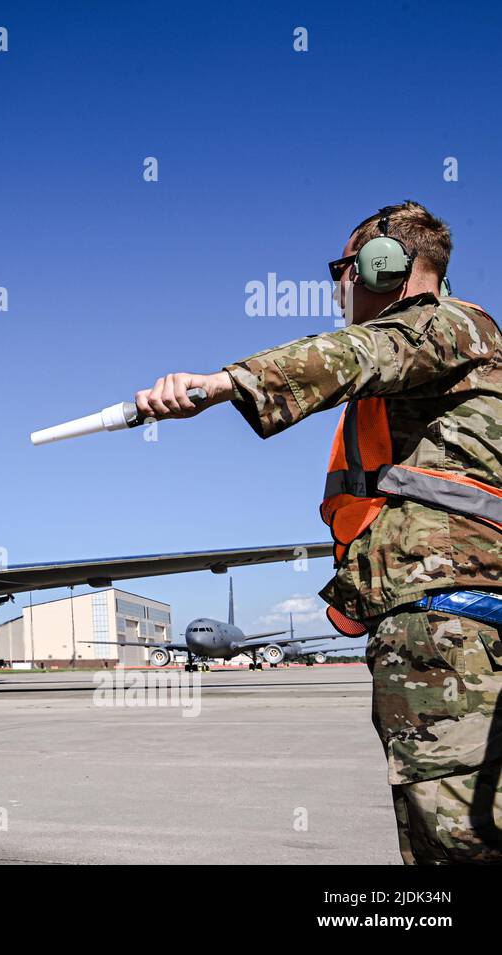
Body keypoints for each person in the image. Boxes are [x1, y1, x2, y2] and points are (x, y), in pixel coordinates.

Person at [136, 201, 502, 863]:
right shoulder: (430, 365)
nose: (339, 285)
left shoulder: (446, 326)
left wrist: (224, 383)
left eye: (344, 269)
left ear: (380, 266)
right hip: (437, 627)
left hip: (450, 627)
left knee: (456, 846)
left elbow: (358, 351)